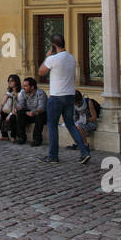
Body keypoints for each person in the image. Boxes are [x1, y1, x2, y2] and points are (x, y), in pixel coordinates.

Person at [38, 33, 91, 165]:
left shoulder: (53, 59)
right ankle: (84, 151)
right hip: (70, 96)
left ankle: (53, 155)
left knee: (52, 125)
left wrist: (47, 57)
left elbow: (41, 72)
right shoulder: (71, 58)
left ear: (54, 45)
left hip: (56, 96)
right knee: (70, 124)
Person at [15, 77, 47, 145]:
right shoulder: (23, 92)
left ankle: (36, 139)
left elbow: (42, 107)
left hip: (39, 113)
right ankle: (21, 137)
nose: (24, 87)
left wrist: (35, 112)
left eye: (26, 86)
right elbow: (21, 104)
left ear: (32, 87)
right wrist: (18, 107)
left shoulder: (41, 93)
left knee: (40, 115)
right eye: (23, 85)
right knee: (20, 113)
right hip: (29, 113)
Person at [0, 74, 25, 141]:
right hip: (10, 111)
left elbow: (20, 106)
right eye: (9, 81)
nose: (9, 82)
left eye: (11, 81)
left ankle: (13, 136)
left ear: (16, 81)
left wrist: (10, 114)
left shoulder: (21, 92)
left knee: (13, 117)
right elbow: (2, 104)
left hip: (18, 111)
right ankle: (4, 135)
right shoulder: (9, 92)